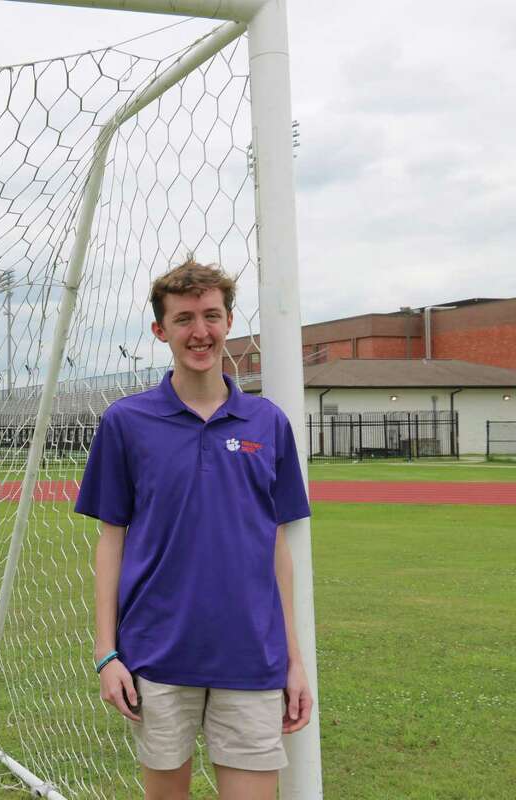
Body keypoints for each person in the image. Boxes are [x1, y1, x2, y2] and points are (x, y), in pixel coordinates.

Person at [75, 259, 313, 800]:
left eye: (211, 315)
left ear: (230, 321)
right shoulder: (126, 422)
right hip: (157, 655)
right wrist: (107, 652)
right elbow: (111, 542)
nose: (199, 332)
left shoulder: (268, 422)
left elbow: (276, 545)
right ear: (161, 330)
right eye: (183, 319)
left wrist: (294, 662)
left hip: (251, 656)